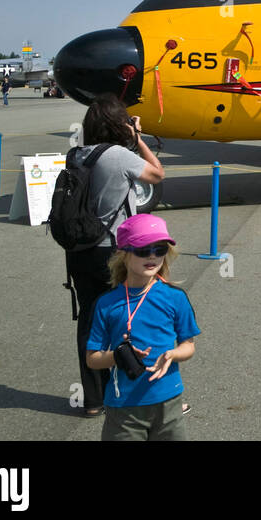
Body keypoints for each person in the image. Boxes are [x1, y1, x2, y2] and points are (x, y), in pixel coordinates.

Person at [66, 94, 165, 418]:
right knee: (130, 318)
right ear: (118, 123)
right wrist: (137, 136)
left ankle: (93, 399)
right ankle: (140, 397)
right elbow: (156, 174)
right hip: (113, 251)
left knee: (91, 322)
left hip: (80, 249)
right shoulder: (119, 155)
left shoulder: (77, 155)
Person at [85, 215, 199, 441]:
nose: (153, 256)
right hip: (123, 408)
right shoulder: (106, 303)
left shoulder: (175, 297)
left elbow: (189, 345)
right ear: (124, 253)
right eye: (143, 250)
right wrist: (117, 356)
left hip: (169, 403)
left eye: (160, 249)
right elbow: (92, 359)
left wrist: (173, 353)